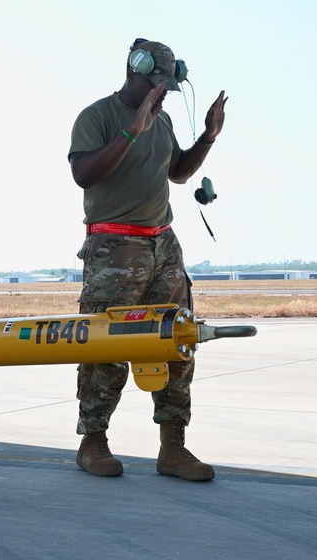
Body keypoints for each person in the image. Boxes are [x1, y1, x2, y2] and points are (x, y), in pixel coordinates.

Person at [67, 39, 226, 480]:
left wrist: (208, 137)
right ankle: (92, 443)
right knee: (106, 347)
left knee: (177, 341)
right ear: (132, 71)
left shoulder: (163, 121)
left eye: (166, 88)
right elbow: (84, 173)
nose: (159, 94)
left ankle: (173, 448)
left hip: (163, 245)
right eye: (154, 85)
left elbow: (177, 173)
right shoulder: (98, 117)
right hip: (115, 248)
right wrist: (130, 131)